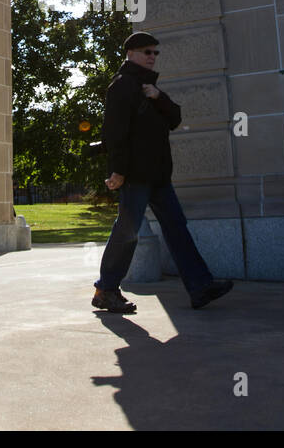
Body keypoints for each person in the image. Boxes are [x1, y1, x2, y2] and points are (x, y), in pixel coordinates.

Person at [91, 31, 235, 313]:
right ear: (131, 53)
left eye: (155, 52)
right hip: (135, 176)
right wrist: (118, 171)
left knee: (177, 227)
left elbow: (175, 118)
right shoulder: (121, 86)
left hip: (158, 176)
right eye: (147, 52)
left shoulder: (149, 87)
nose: (153, 57)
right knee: (127, 232)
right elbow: (115, 134)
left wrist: (158, 97)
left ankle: (200, 287)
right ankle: (106, 290)